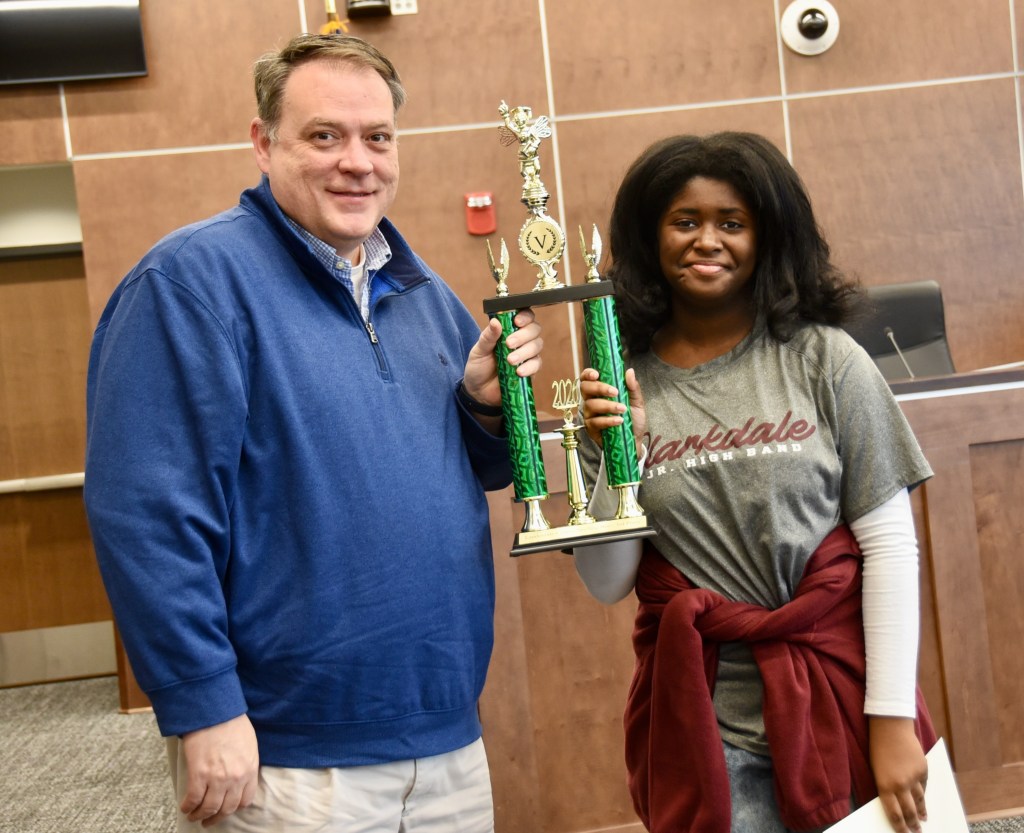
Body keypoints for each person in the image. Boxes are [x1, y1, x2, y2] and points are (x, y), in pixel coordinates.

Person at [83, 33, 543, 832]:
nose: (357, 162)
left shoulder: (422, 291)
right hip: (284, 756)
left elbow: (480, 473)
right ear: (264, 144)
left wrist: (483, 407)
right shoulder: (187, 286)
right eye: (324, 135)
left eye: (378, 137)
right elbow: (147, 515)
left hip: (445, 739)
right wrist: (203, 704)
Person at [571, 132, 936, 833]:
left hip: (847, 703)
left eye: (732, 223)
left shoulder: (826, 359)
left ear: (767, 238)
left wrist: (892, 721)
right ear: (651, 237)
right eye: (685, 221)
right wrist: (623, 453)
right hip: (709, 731)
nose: (707, 240)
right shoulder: (620, 384)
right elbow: (607, 584)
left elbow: (890, 546)